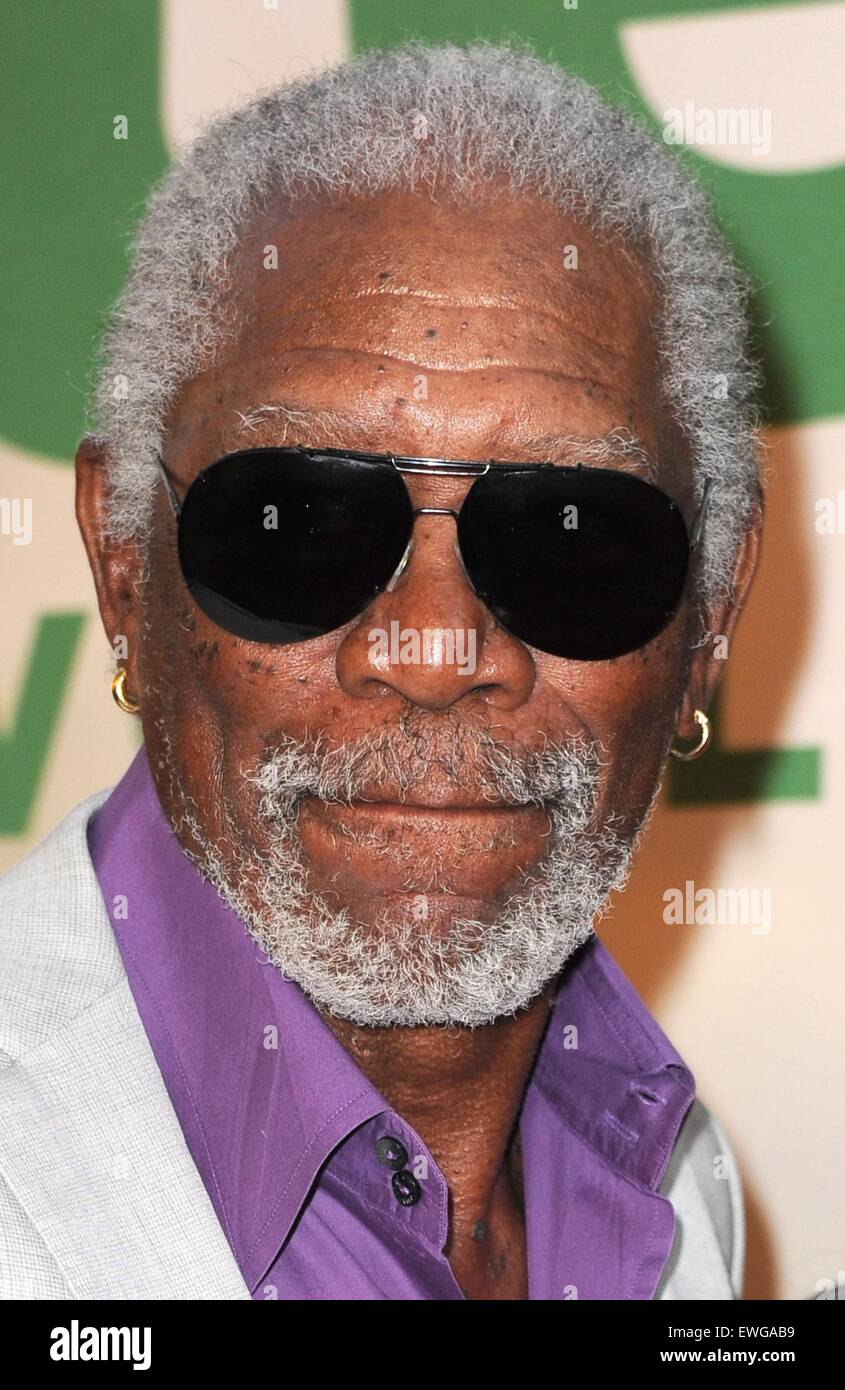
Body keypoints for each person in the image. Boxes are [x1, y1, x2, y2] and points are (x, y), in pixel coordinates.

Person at [0, 41, 761, 1300]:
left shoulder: (665, 1182)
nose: (433, 652)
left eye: (569, 536)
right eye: (296, 525)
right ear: (122, 566)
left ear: (707, 623)